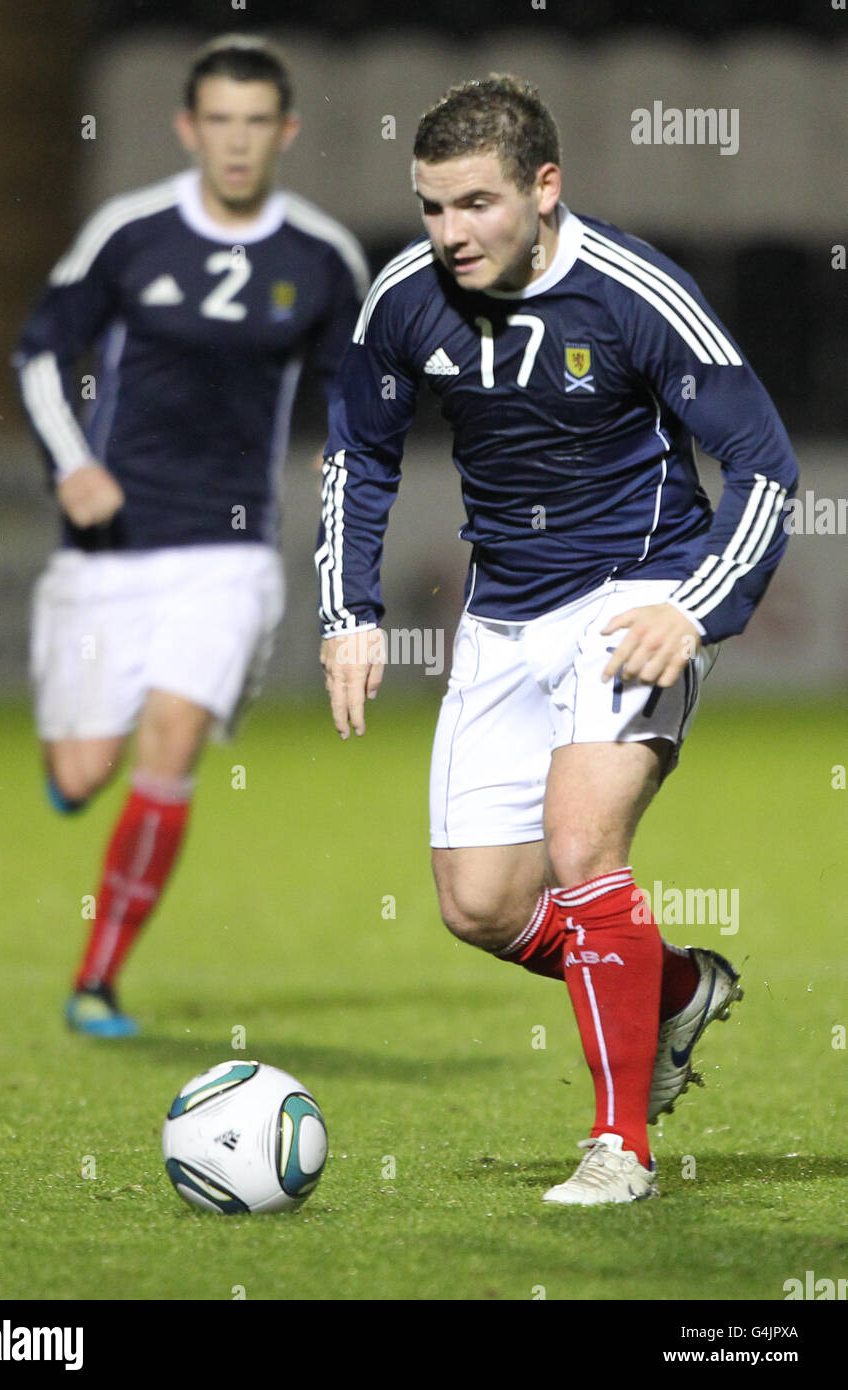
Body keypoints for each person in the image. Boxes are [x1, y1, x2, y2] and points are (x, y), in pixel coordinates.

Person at [316, 75, 797, 1204]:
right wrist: (349, 613)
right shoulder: (402, 298)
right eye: (432, 207)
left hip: (637, 596)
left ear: (544, 187)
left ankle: (619, 1147)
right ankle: (675, 990)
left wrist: (695, 606)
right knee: (478, 904)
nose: (450, 233)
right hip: (500, 612)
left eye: (475, 204)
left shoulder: (635, 293)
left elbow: (766, 465)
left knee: (583, 848)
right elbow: (359, 451)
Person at [15, 35, 369, 1036]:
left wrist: (341, 444)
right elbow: (41, 351)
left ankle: (97, 980)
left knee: (170, 741)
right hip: (110, 544)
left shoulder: (319, 254)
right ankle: (73, 768)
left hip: (230, 547)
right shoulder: (130, 235)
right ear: (188, 128)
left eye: (257, 122)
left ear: (285, 132)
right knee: (85, 772)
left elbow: (356, 377)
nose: (238, 141)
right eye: (219, 120)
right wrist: (70, 467)